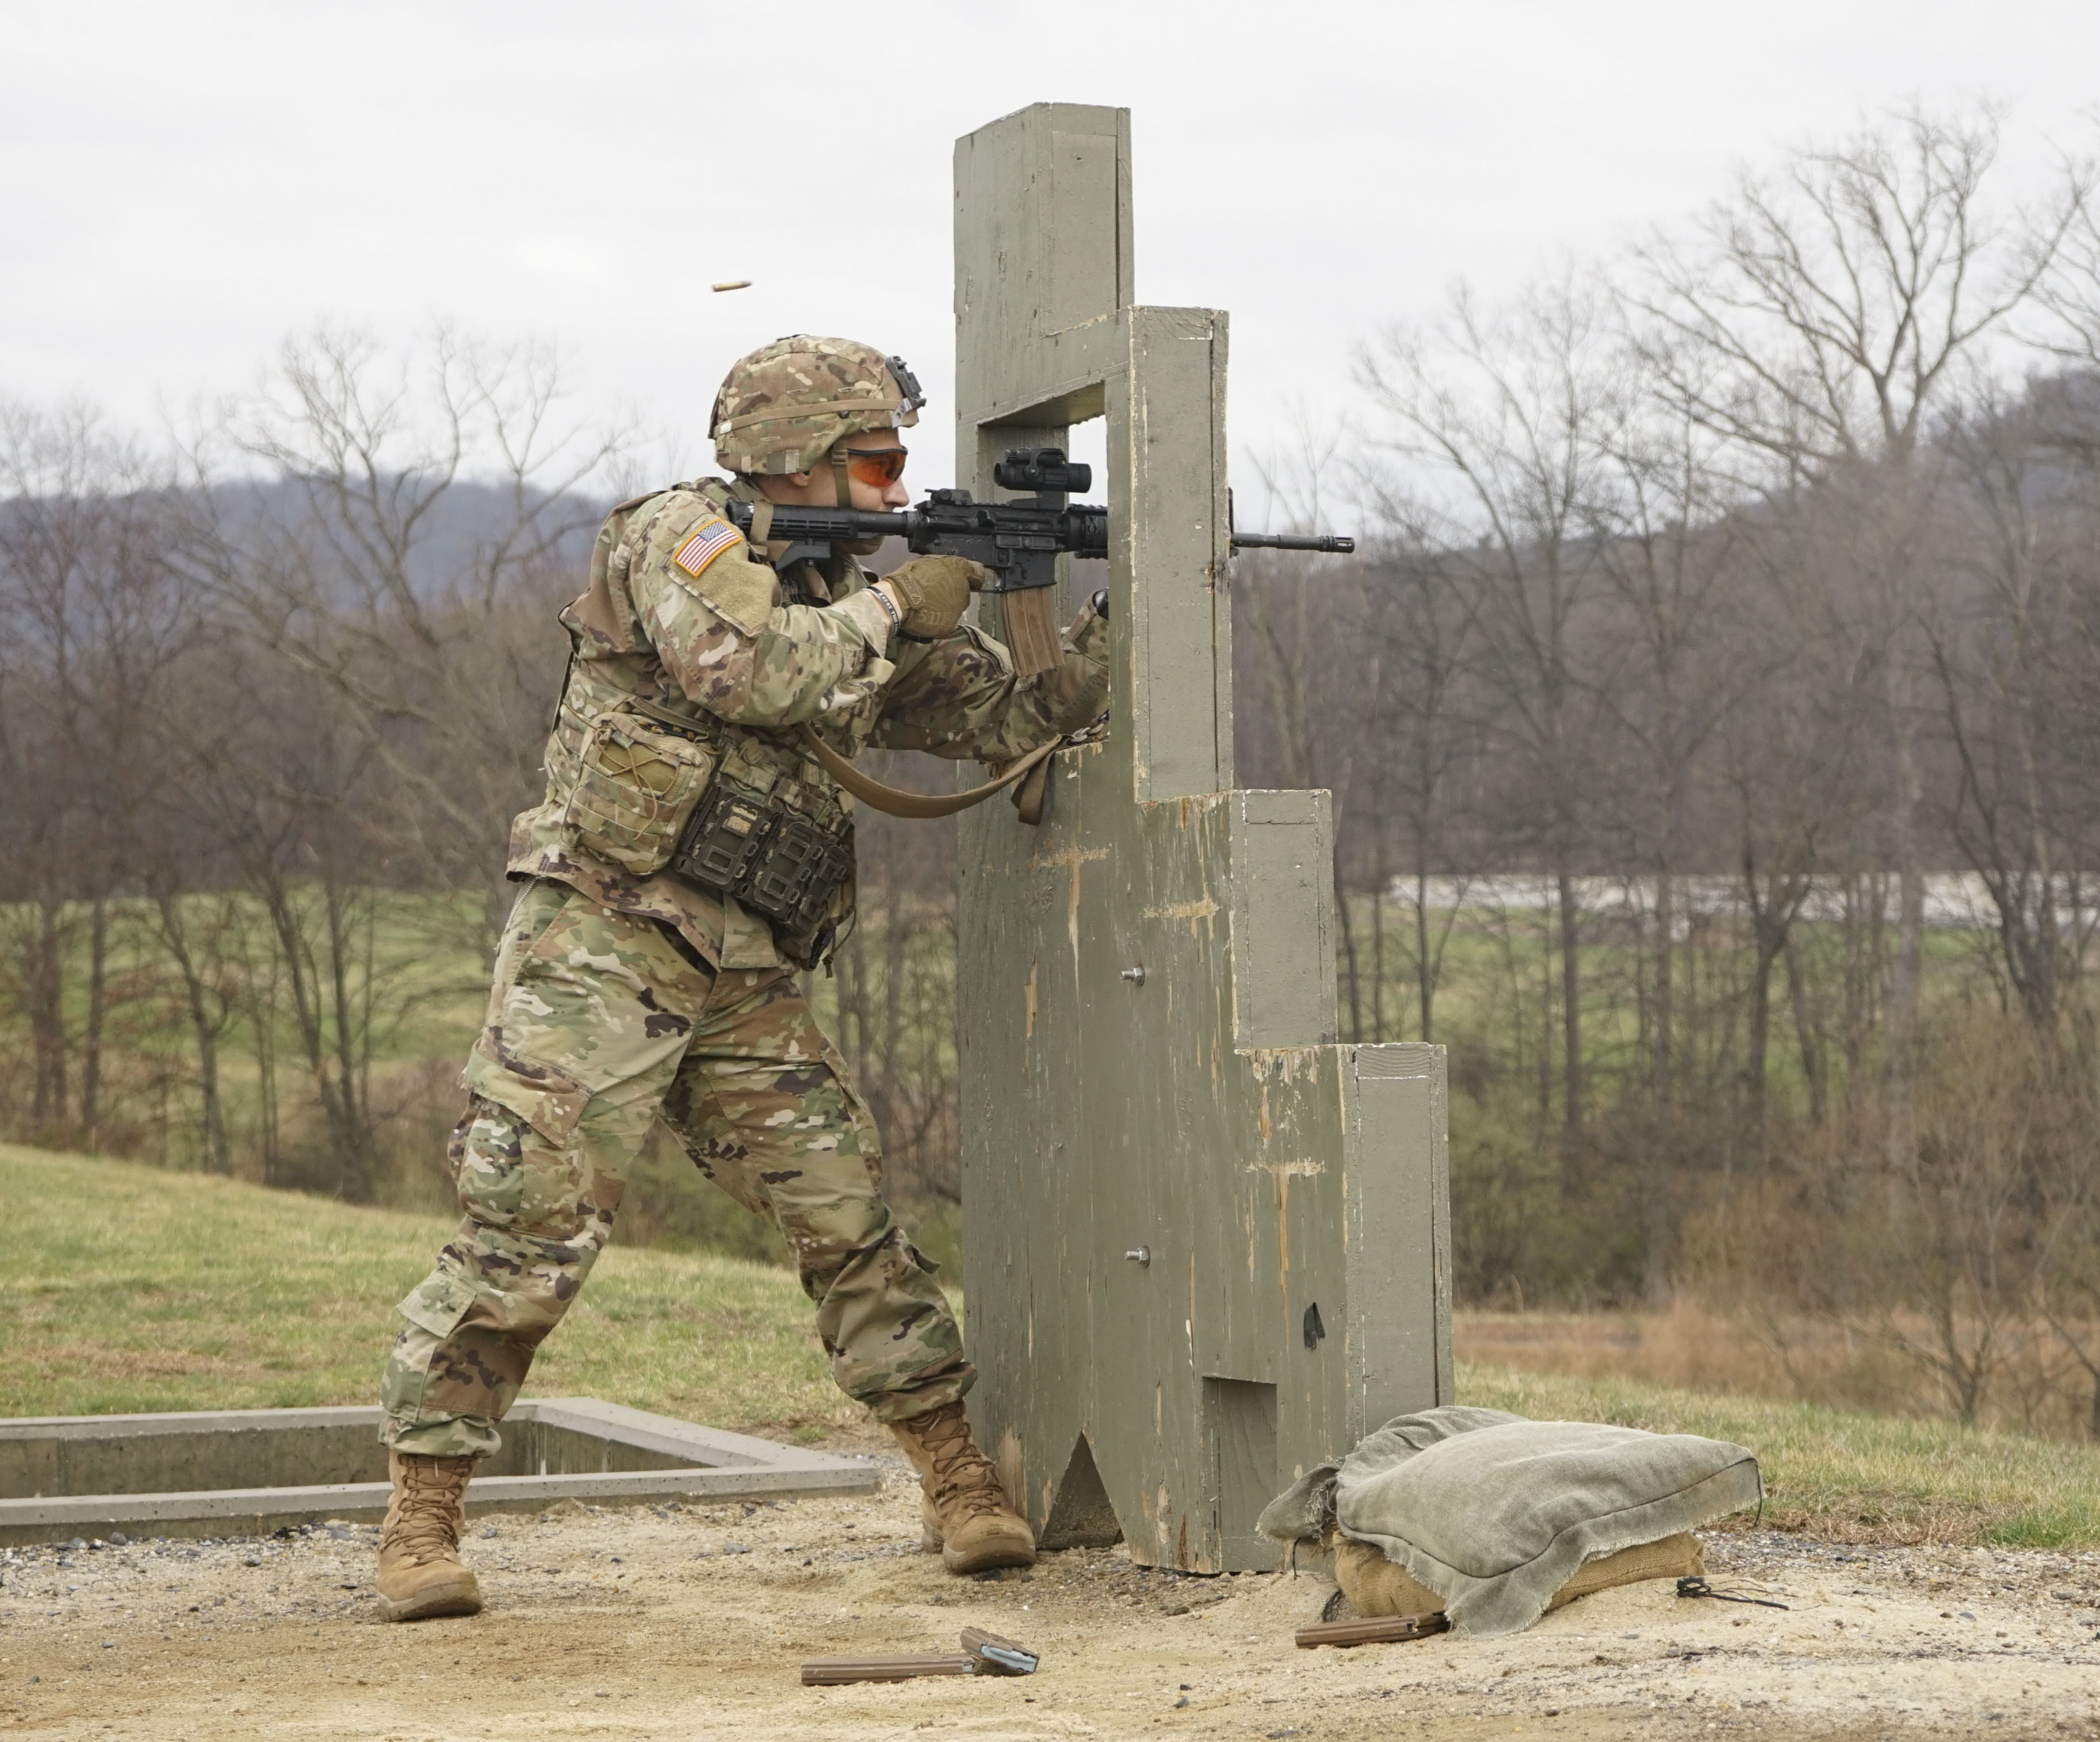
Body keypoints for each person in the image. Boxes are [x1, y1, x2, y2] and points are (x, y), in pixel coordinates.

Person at [370, 335, 1109, 1622]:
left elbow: (993, 719)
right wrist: (899, 605)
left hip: (748, 964)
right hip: (603, 940)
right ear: (794, 455)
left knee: (845, 1214)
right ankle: (421, 1516)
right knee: (530, 1222)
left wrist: (1099, 637)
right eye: (874, 463)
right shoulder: (683, 537)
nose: (894, 491)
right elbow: (749, 668)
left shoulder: (842, 588)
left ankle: (953, 1473)